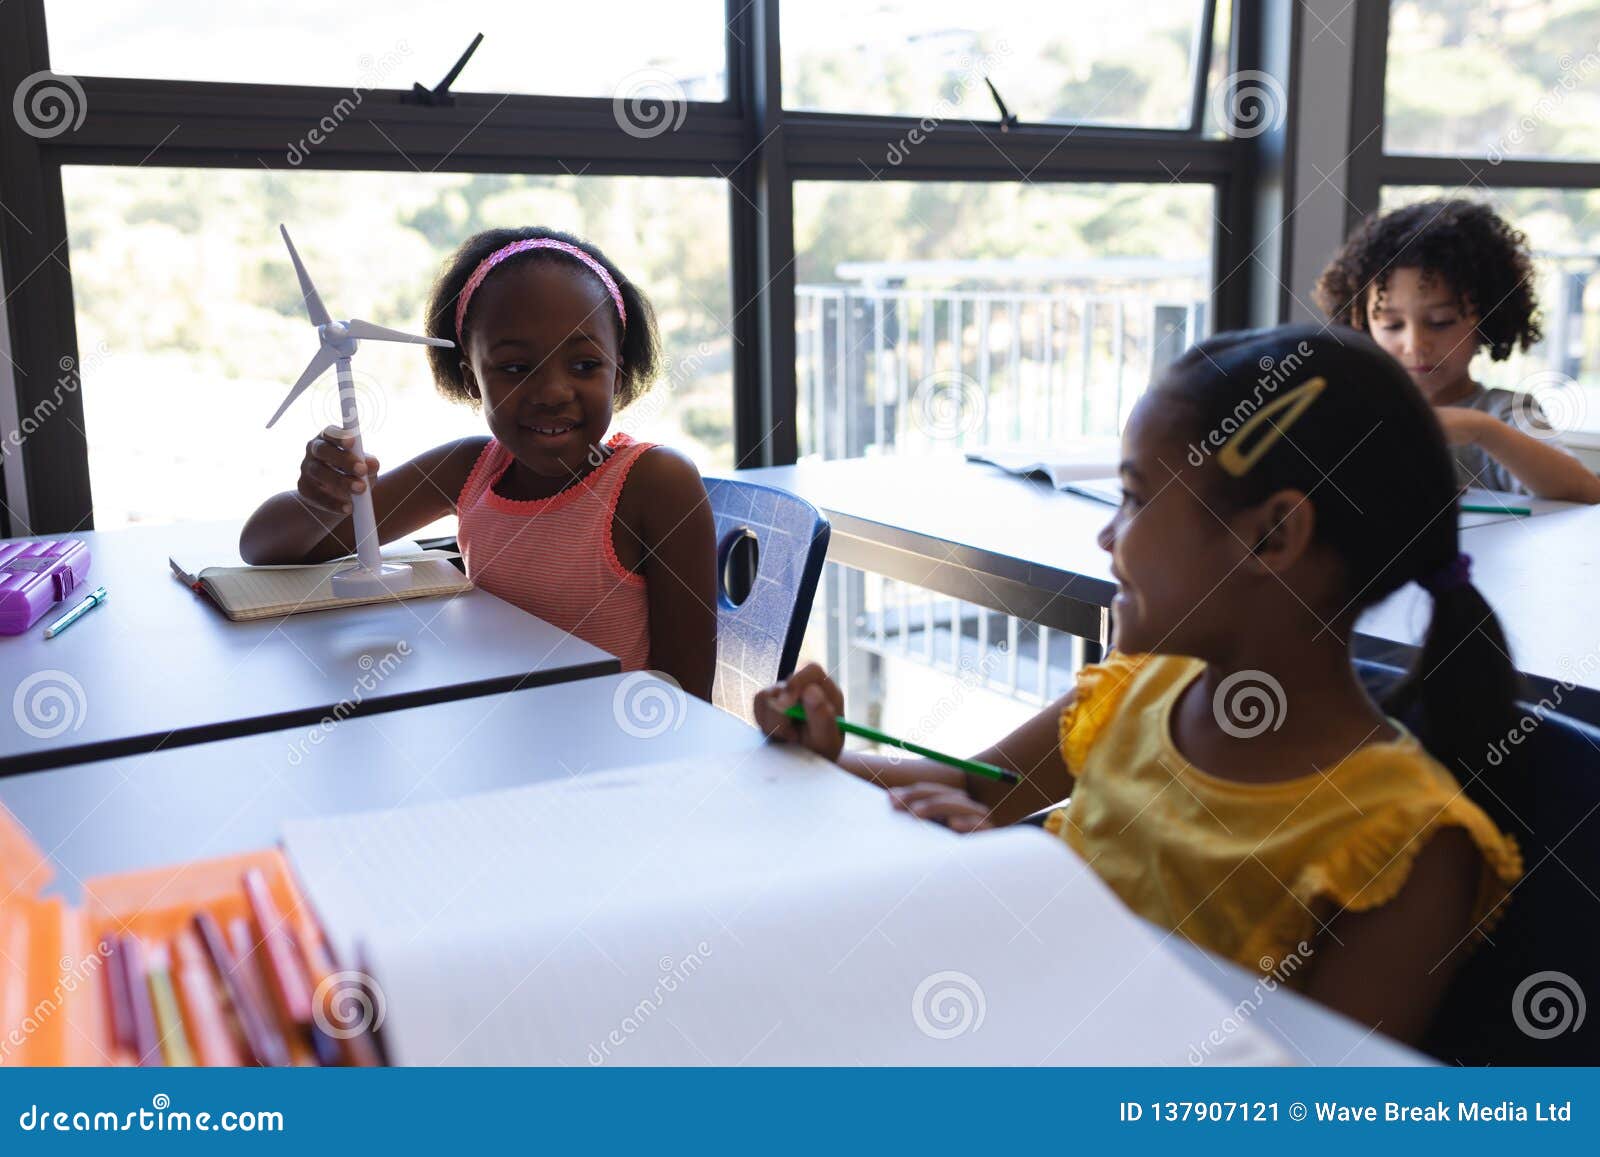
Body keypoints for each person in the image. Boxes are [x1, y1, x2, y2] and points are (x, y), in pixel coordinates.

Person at [755, 325, 1526, 1045]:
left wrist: (1036, 910)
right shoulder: (1137, 688)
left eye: (1133, 496)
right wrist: (827, 754)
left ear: (1272, 536)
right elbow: (971, 789)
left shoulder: (1410, 847)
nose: (1105, 533)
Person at [242, 227, 717, 698]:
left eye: (584, 365)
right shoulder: (469, 469)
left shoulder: (655, 484)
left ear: (619, 371)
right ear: (472, 379)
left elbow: (689, 695)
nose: (552, 393)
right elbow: (262, 546)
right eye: (514, 368)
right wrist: (321, 500)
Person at [1316, 198, 1600, 502]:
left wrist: (1483, 430)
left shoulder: (1505, 413)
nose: (1415, 345)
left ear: (1489, 318)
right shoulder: (1352, 409)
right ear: (1362, 323)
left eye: (1440, 322)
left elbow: (1586, 491)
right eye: (1392, 325)